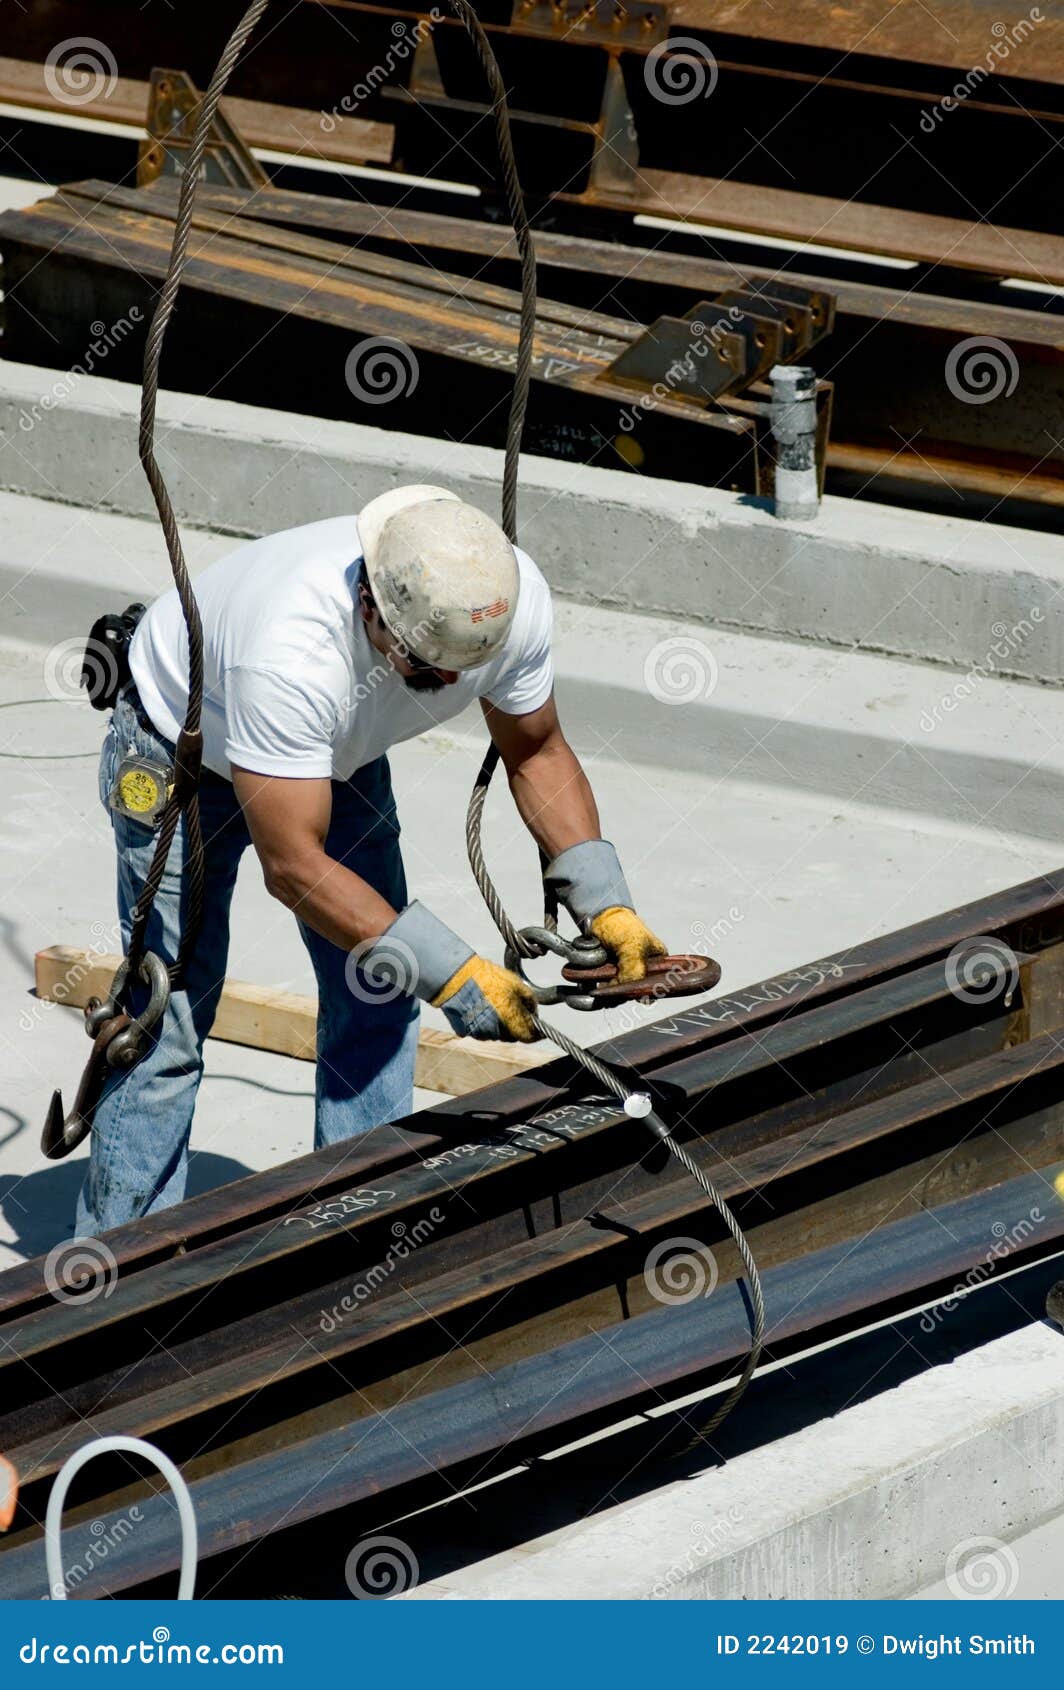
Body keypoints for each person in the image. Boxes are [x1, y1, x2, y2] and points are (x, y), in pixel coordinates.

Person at [76, 485, 665, 1235]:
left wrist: (606, 903)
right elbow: (294, 867)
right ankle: (122, 1266)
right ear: (370, 609)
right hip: (184, 747)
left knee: (380, 993)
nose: (447, 684)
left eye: (461, 670)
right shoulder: (290, 650)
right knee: (166, 1024)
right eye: (427, 668)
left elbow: (538, 752)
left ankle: (357, 1234)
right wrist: (454, 973)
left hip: (331, 751)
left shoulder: (498, 604)